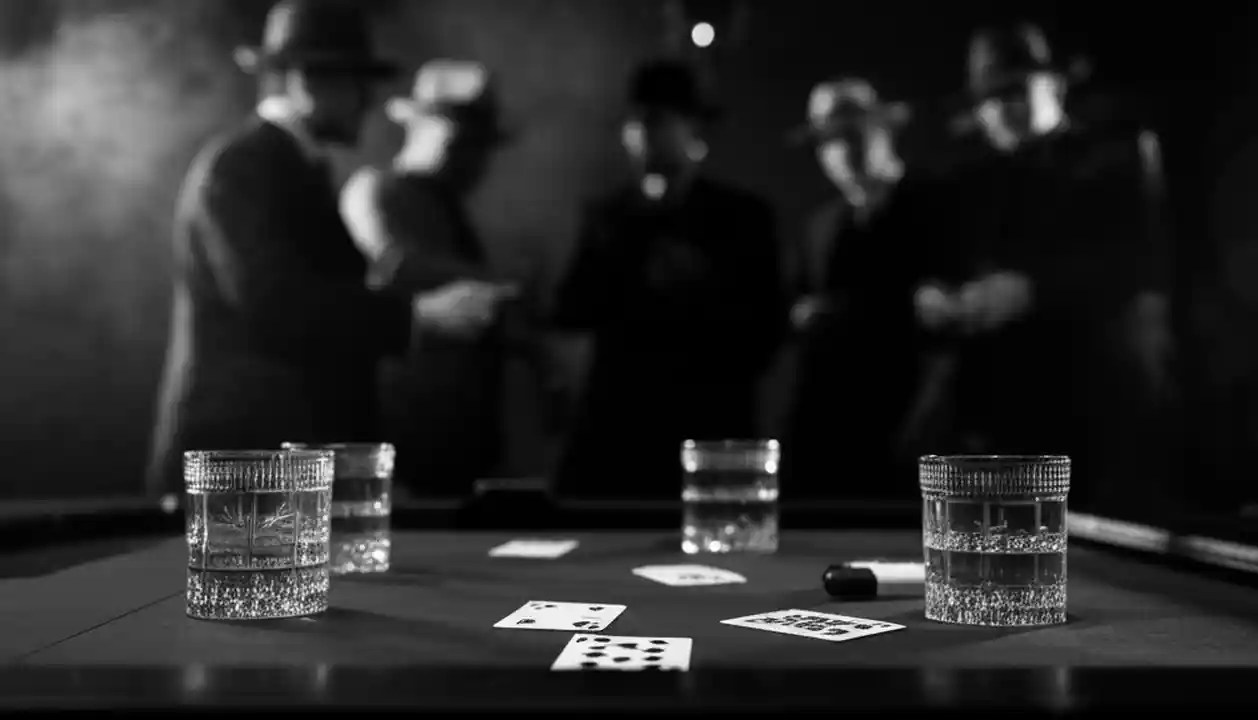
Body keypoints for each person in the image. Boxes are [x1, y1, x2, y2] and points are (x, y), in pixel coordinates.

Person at [146, 0, 437, 495]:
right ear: (306, 81)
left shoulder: (295, 169)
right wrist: (417, 317)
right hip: (236, 475)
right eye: (356, 81)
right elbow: (276, 307)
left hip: (275, 473)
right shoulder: (238, 169)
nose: (367, 101)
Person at [904, 23, 1175, 501]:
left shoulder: (1116, 155)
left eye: (1014, 90)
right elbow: (941, 266)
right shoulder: (969, 180)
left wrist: (1033, 290)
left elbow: (1139, 264)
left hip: (1088, 397)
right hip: (992, 407)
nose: (1000, 108)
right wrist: (936, 299)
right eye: (988, 97)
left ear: (1055, 84)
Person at [552, 59, 786, 498]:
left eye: (657, 121)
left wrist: (697, 290)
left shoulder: (741, 218)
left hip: (708, 427)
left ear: (692, 128)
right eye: (634, 123)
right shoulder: (609, 217)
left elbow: (766, 328)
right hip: (619, 432)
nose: (642, 136)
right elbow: (571, 309)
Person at [340, 60, 534, 496]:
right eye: (461, 142)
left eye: (481, 148)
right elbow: (397, 262)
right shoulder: (375, 190)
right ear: (418, 126)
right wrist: (500, 287)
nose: (474, 161)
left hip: (463, 440)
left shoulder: (451, 212)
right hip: (403, 434)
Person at [781, 78, 938, 498]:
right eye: (827, 141)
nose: (841, 150)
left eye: (852, 134)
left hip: (908, 423)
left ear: (883, 130)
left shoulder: (933, 203)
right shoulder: (820, 226)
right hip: (829, 433)